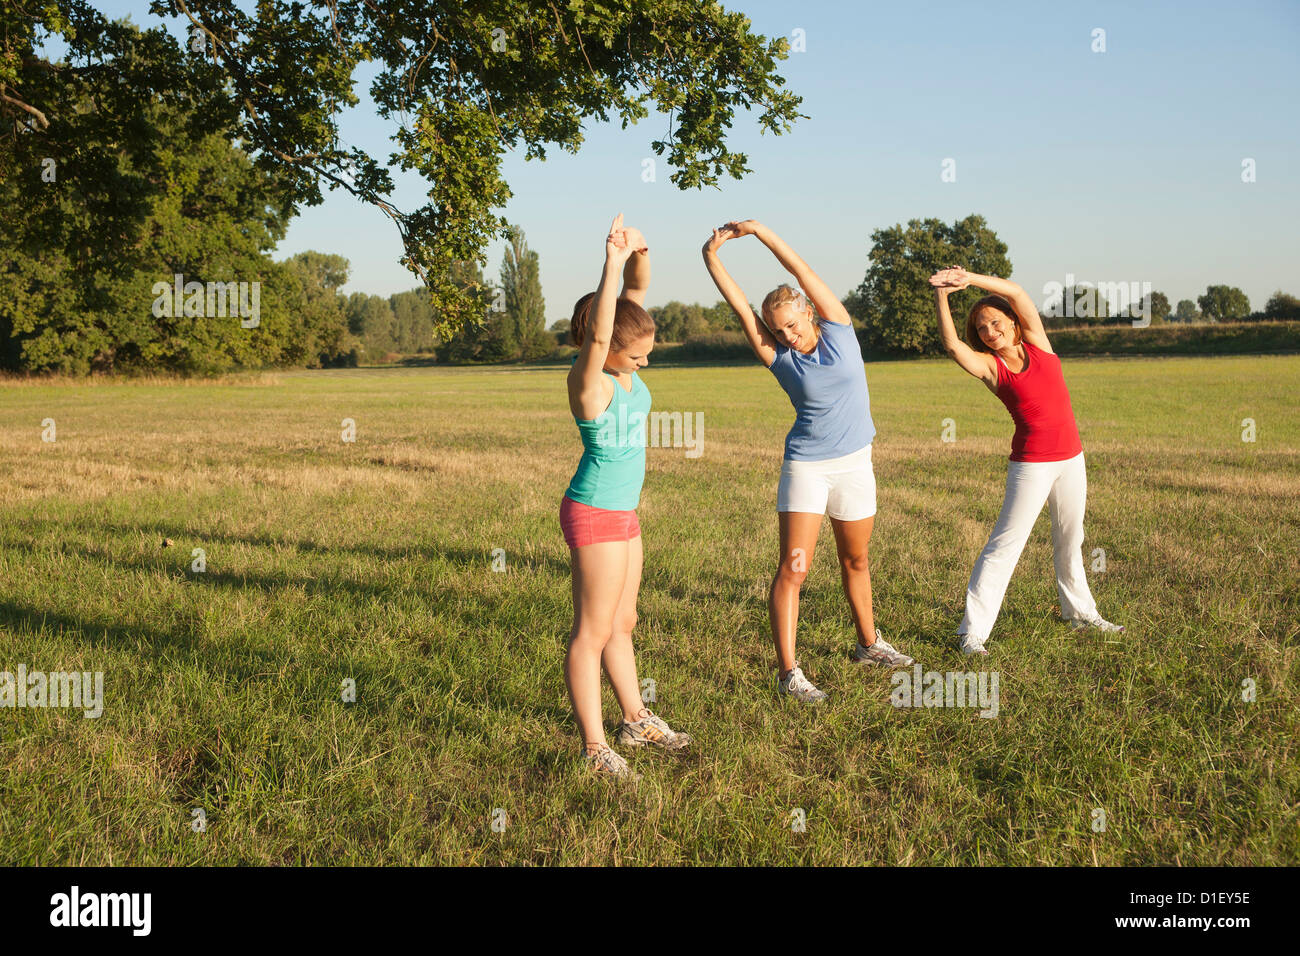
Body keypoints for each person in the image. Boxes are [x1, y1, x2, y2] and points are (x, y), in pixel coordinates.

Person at [702, 219, 913, 704]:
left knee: (856, 559)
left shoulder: (840, 330)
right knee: (794, 568)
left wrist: (761, 233)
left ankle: (869, 644)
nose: (788, 335)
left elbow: (800, 268)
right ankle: (789, 673)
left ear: (811, 312)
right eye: (779, 329)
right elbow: (738, 306)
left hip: (856, 464)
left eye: (794, 324)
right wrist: (712, 257)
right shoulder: (778, 357)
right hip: (808, 468)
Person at [929, 266, 1125, 655]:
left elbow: (1017, 292)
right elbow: (953, 346)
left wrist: (969, 279)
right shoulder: (991, 367)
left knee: (1071, 539)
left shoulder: (1039, 343)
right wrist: (943, 294)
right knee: (1005, 544)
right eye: (982, 329)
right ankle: (972, 633)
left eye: (995, 322)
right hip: (1032, 464)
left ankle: (1080, 613)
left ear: (1013, 322)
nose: (989, 332)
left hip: (1072, 458)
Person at [562, 213, 691, 779]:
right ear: (607, 346)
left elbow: (635, 296)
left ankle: (635, 718)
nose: (645, 363)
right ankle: (594, 750)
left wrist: (638, 248)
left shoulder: (624, 358)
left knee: (624, 621)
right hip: (593, 511)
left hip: (625, 513)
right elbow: (600, 332)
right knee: (591, 631)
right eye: (636, 356)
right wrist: (609, 262)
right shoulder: (589, 381)